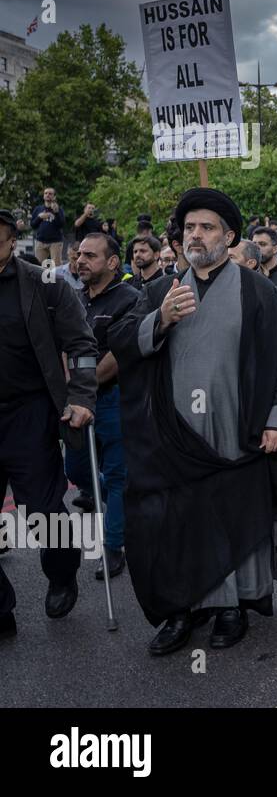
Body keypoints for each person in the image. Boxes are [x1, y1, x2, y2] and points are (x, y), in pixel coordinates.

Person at [110, 188, 277, 655]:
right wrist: (158, 320)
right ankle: (181, 610)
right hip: (174, 436)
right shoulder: (160, 289)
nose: (195, 235)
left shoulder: (257, 290)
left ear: (229, 236)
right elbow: (121, 343)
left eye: (207, 227)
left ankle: (229, 609)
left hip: (235, 429)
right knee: (176, 520)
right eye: (190, 227)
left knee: (231, 516)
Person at [0, 209, 97, 638]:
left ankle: (62, 572)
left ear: (11, 241)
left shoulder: (45, 284)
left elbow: (80, 345)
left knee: (41, 513)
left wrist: (80, 397)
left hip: (30, 414)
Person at [66, 232, 139, 579]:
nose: (81, 261)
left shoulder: (129, 299)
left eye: (90, 256)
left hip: (112, 399)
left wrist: (86, 383)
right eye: (80, 254)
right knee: (76, 471)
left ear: (112, 263)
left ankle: (113, 547)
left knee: (117, 474)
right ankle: (117, 501)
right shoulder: (73, 299)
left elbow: (122, 353)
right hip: (76, 400)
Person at [32, 187, 66, 266]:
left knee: (56, 266)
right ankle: (39, 279)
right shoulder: (38, 209)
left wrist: (56, 213)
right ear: (43, 196)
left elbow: (61, 225)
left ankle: (56, 279)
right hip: (40, 241)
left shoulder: (59, 209)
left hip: (55, 242)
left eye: (50, 194)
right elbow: (33, 225)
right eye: (46, 193)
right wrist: (39, 217)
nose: (47, 195)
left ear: (54, 197)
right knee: (38, 266)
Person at [250, 226, 277, 294]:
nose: (257, 248)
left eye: (262, 244)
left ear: (275, 249)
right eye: (254, 244)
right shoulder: (248, 273)